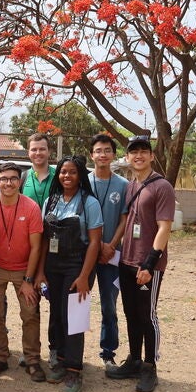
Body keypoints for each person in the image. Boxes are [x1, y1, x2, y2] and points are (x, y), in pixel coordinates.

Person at [105, 135, 175, 392]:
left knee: (147, 316)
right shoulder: (131, 186)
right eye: (134, 152)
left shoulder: (162, 187)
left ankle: (149, 367)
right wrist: (116, 248)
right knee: (130, 314)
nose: (139, 156)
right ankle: (133, 360)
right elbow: (127, 223)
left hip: (148, 265)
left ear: (151, 156)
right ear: (128, 157)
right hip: (126, 260)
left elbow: (165, 227)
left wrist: (149, 263)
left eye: (144, 151)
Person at [35, 155, 102, 392]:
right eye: (63, 172)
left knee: (74, 317)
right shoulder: (51, 201)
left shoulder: (89, 203)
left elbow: (95, 242)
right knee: (56, 314)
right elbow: (44, 240)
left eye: (72, 172)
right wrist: (41, 270)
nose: (66, 176)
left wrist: (85, 275)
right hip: (53, 265)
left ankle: (74, 370)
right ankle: (60, 360)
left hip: (77, 264)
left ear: (80, 175)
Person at [0, 162, 46, 382]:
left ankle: (32, 359)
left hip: (23, 268)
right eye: (4, 178)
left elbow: (36, 246)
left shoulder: (31, 207)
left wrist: (29, 279)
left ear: (20, 181)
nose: (8, 183)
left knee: (30, 313)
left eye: (13, 178)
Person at [88, 134, 129, 367]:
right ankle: (72, 351)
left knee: (109, 305)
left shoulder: (123, 185)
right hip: (85, 254)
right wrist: (94, 245)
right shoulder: (83, 181)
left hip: (112, 255)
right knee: (78, 301)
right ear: (92, 155)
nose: (102, 154)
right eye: (98, 150)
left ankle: (108, 353)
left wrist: (111, 245)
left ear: (113, 154)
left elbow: (125, 218)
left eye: (107, 150)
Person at [21, 133, 56, 209]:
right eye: (34, 149)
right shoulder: (22, 178)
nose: (38, 153)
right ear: (28, 152)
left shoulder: (58, 176)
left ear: (49, 151)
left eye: (42, 149)